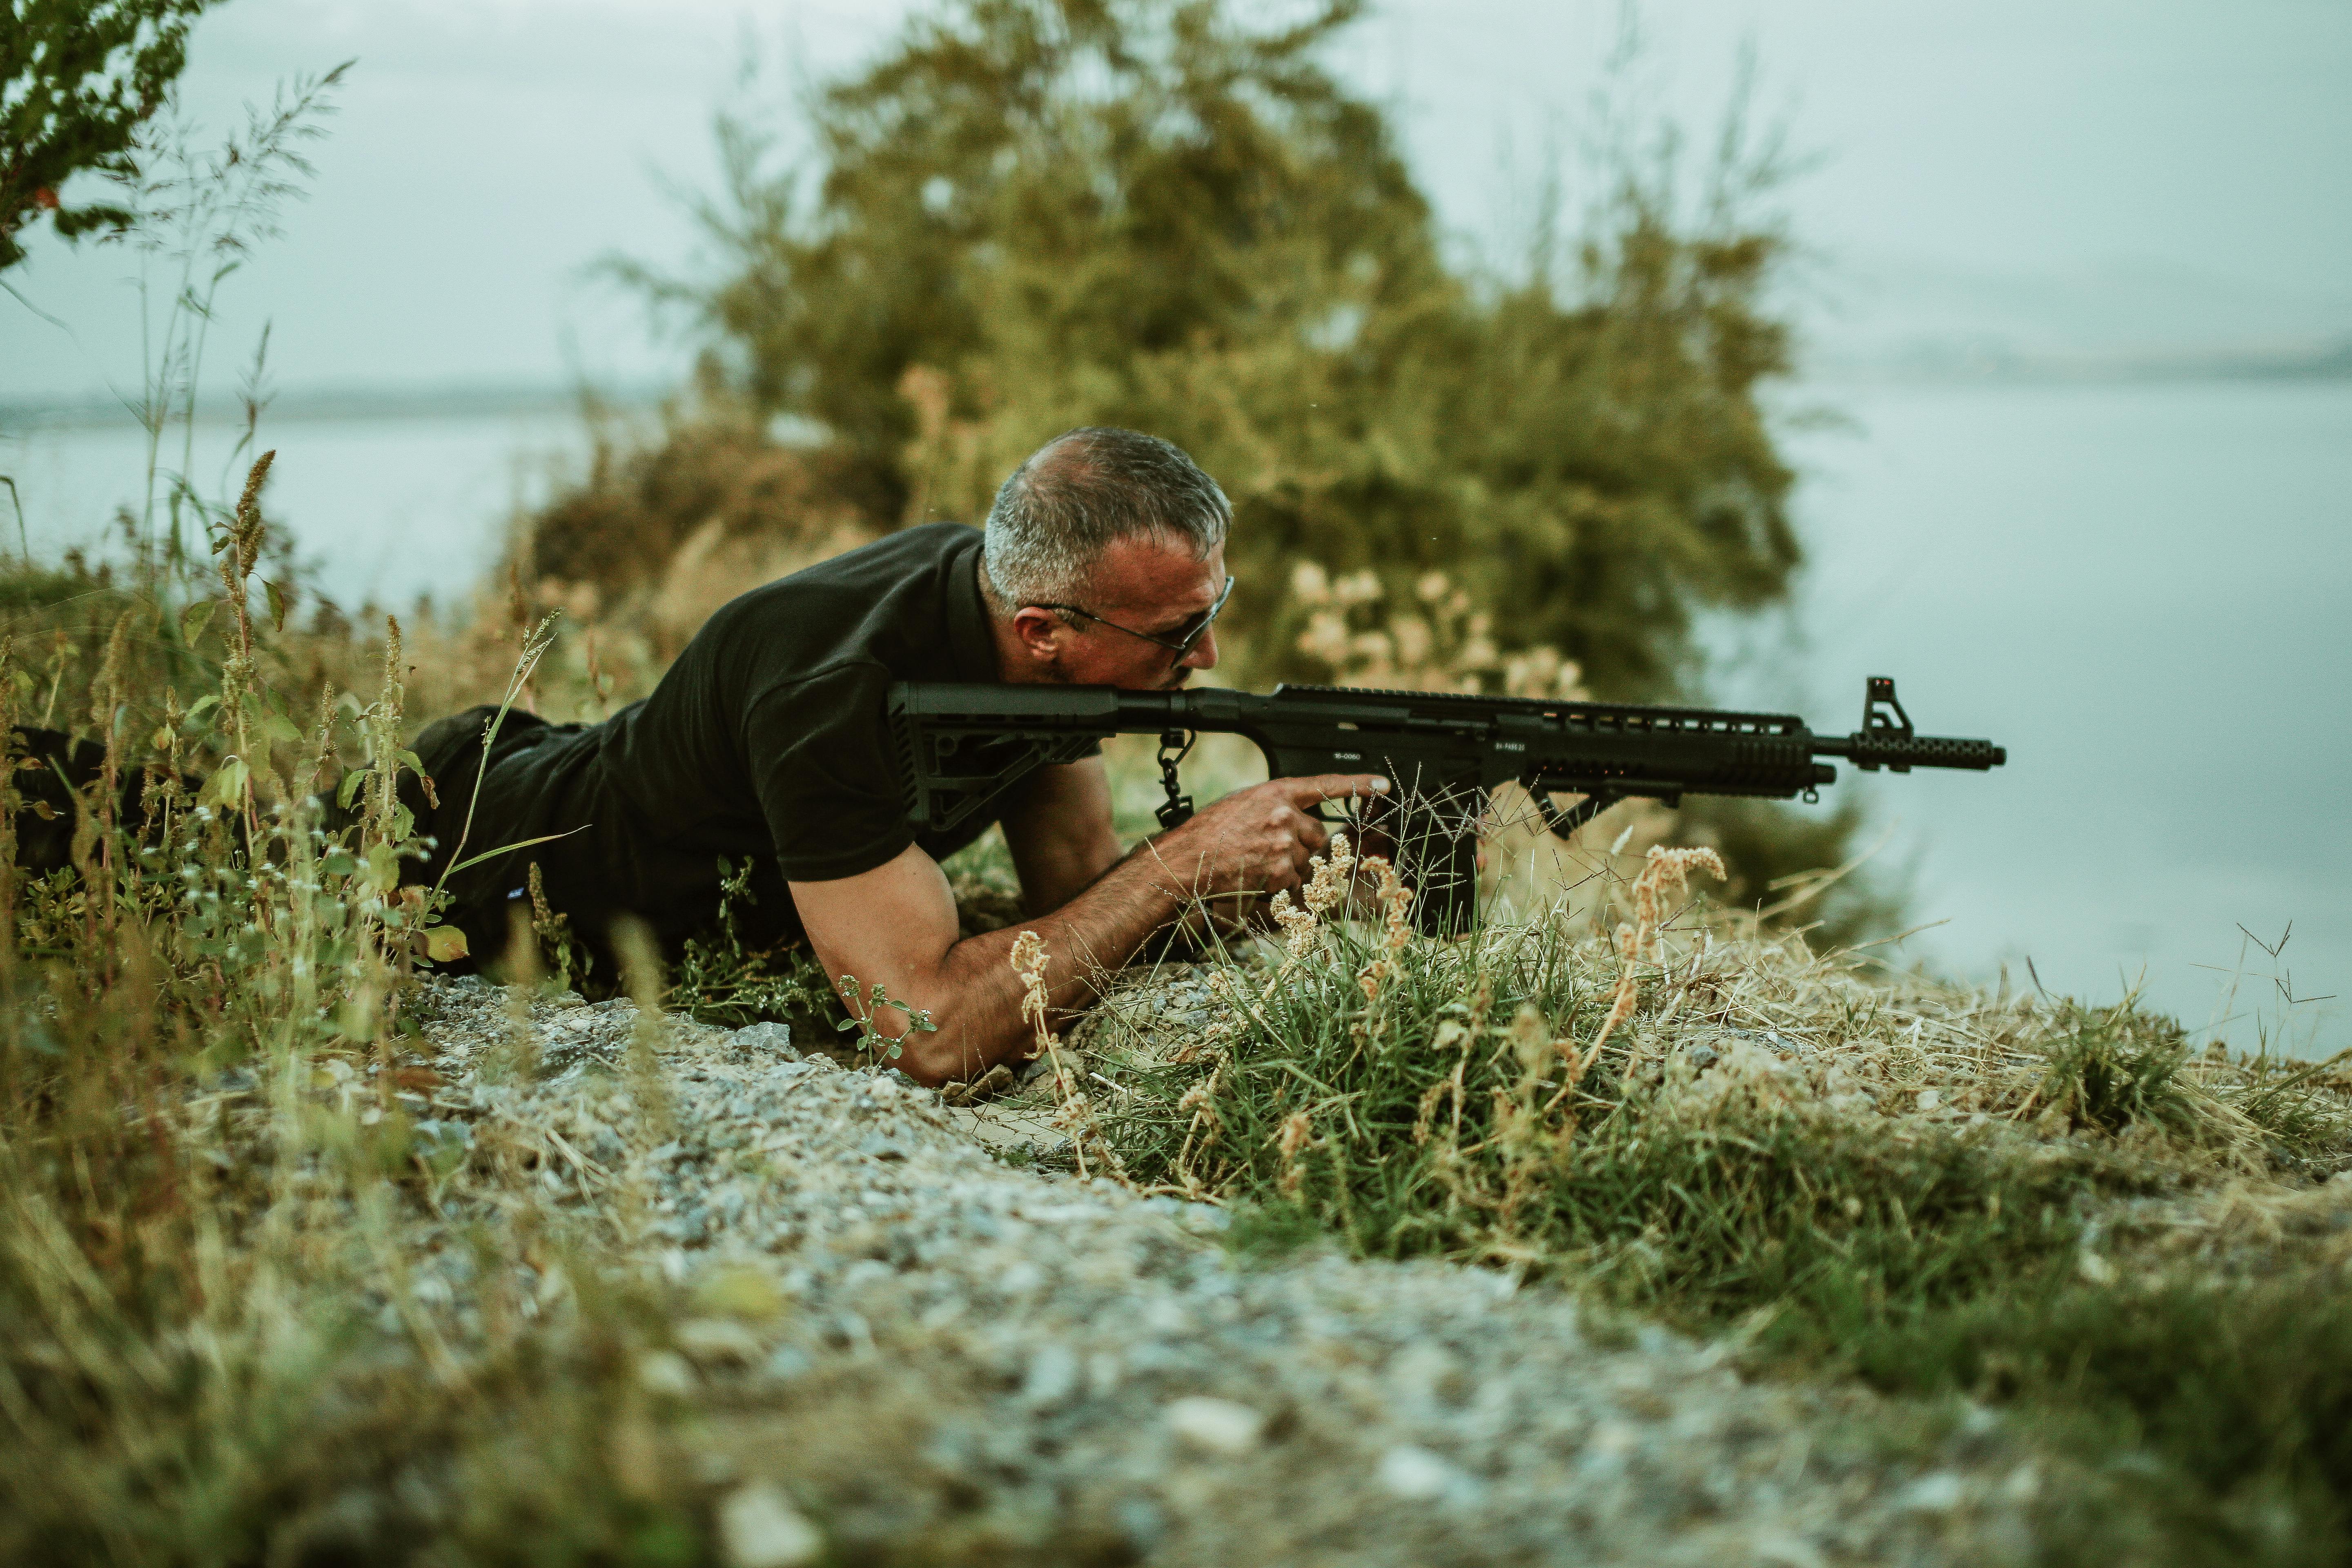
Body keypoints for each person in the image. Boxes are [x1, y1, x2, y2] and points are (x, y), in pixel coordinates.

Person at [411, 428, 1386, 1087]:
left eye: (1211, 612)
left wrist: (1314, 884)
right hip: (463, 852)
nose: (1206, 658)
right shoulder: (828, 693)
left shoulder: (1027, 635)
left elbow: (1081, 885)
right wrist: (1183, 862)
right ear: (1042, 629)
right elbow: (927, 1032)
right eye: (1180, 632)